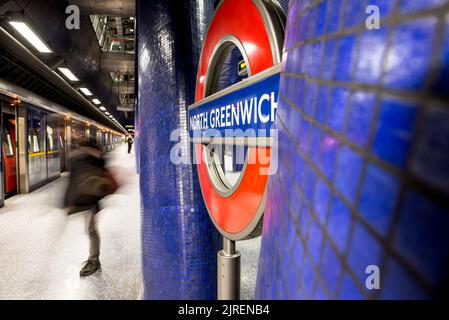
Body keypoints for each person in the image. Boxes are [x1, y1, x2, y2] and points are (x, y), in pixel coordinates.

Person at [64, 140, 115, 277]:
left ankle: (94, 259)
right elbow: (73, 179)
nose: (75, 135)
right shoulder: (75, 154)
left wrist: (89, 151)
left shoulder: (91, 152)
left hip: (91, 200)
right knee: (89, 230)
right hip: (80, 199)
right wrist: (68, 201)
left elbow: (102, 167)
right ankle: (93, 258)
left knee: (91, 230)